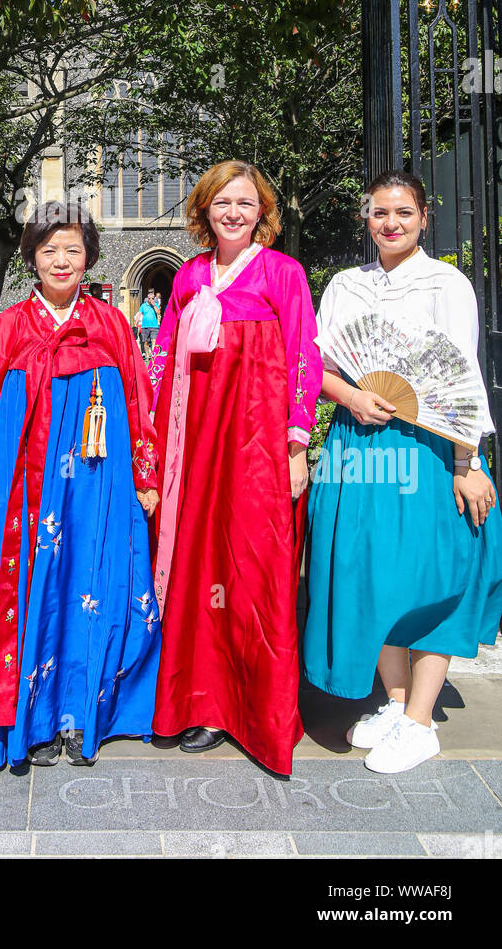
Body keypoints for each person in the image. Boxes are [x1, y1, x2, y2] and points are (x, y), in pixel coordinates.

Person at [303, 171, 502, 773]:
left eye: (403, 214)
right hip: (359, 442)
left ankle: (420, 721)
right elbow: (322, 364)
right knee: (370, 570)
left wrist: (467, 463)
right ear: (366, 219)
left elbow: (460, 376)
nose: (390, 224)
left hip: (429, 443)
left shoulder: (447, 283)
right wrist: (352, 397)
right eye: (379, 214)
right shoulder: (345, 284)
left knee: (431, 571)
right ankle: (393, 703)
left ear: (423, 217)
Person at [0, 201, 161, 770]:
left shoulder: (110, 323)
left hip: (96, 481)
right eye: (49, 249)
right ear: (32, 257)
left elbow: (141, 398)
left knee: (90, 580)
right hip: (26, 480)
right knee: (34, 588)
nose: (61, 260)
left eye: (72, 249)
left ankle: (83, 711)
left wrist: (144, 474)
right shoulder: (9, 326)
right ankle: (38, 715)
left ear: (89, 257)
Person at [148, 160, 322, 775]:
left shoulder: (283, 273)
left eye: (246, 203)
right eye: (223, 203)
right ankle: (200, 702)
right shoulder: (190, 275)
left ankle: (253, 709)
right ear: (204, 209)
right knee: (199, 565)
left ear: (262, 213)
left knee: (253, 567)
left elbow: (304, 353)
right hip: (195, 444)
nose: (233, 213)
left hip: (256, 447)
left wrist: (295, 448)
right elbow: (163, 358)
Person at [139, 291, 160, 362]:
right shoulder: (143, 306)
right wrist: (136, 323)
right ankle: (147, 355)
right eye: (149, 298)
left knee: (154, 341)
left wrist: (154, 305)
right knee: (146, 342)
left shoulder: (156, 304)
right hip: (145, 326)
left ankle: (154, 356)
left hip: (154, 326)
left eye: (152, 298)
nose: (151, 299)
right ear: (147, 298)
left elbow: (158, 312)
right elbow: (139, 313)